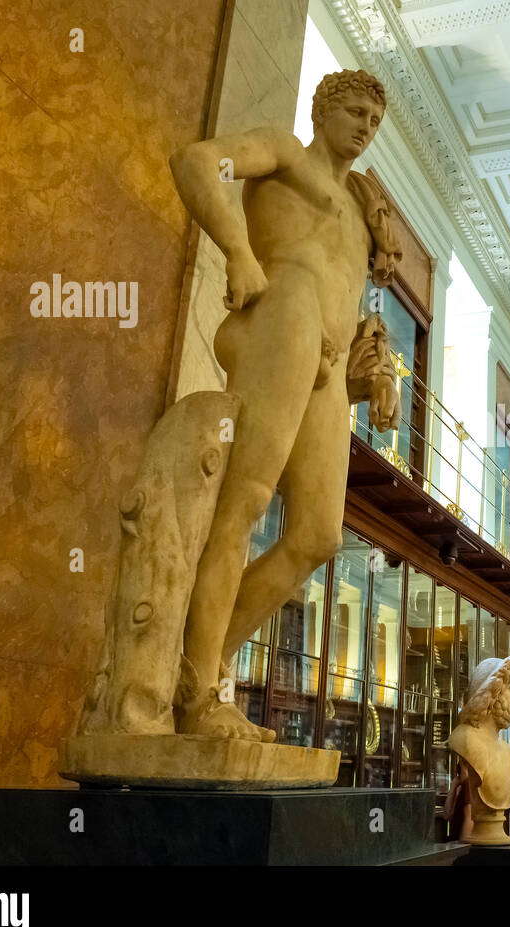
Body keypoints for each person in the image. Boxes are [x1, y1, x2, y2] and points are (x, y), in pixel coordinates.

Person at [167, 70, 402, 740]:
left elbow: (353, 309)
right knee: (243, 500)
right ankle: (200, 694)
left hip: (326, 364)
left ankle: (194, 670)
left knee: (317, 536)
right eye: (354, 111)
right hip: (281, 317)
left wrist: (370, 372)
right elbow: (193, 162)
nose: (364, 126)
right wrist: (239, 254)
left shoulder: (361, 217)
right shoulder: (283, 151)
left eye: (374, 121)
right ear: (323, 109)